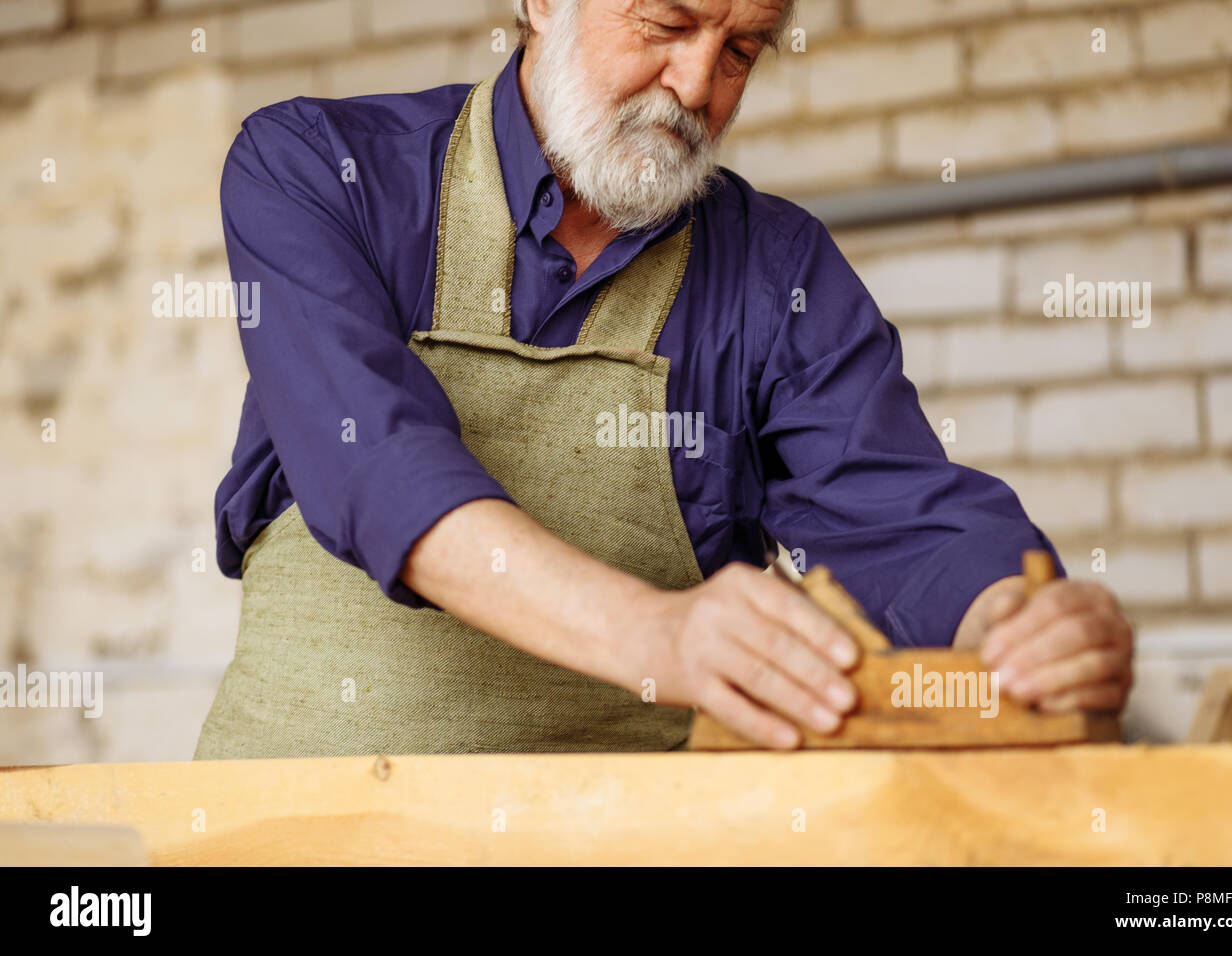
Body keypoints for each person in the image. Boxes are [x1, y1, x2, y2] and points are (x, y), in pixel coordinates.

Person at [194, 0, 1134, 758]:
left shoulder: (778, 272)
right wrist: (659, 640)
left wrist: (1020, 622)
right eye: (667, 25)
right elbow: (375, 466)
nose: (696, 85)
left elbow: (900, 522)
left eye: (742, 50)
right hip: (291, 836)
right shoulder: (317, 171)